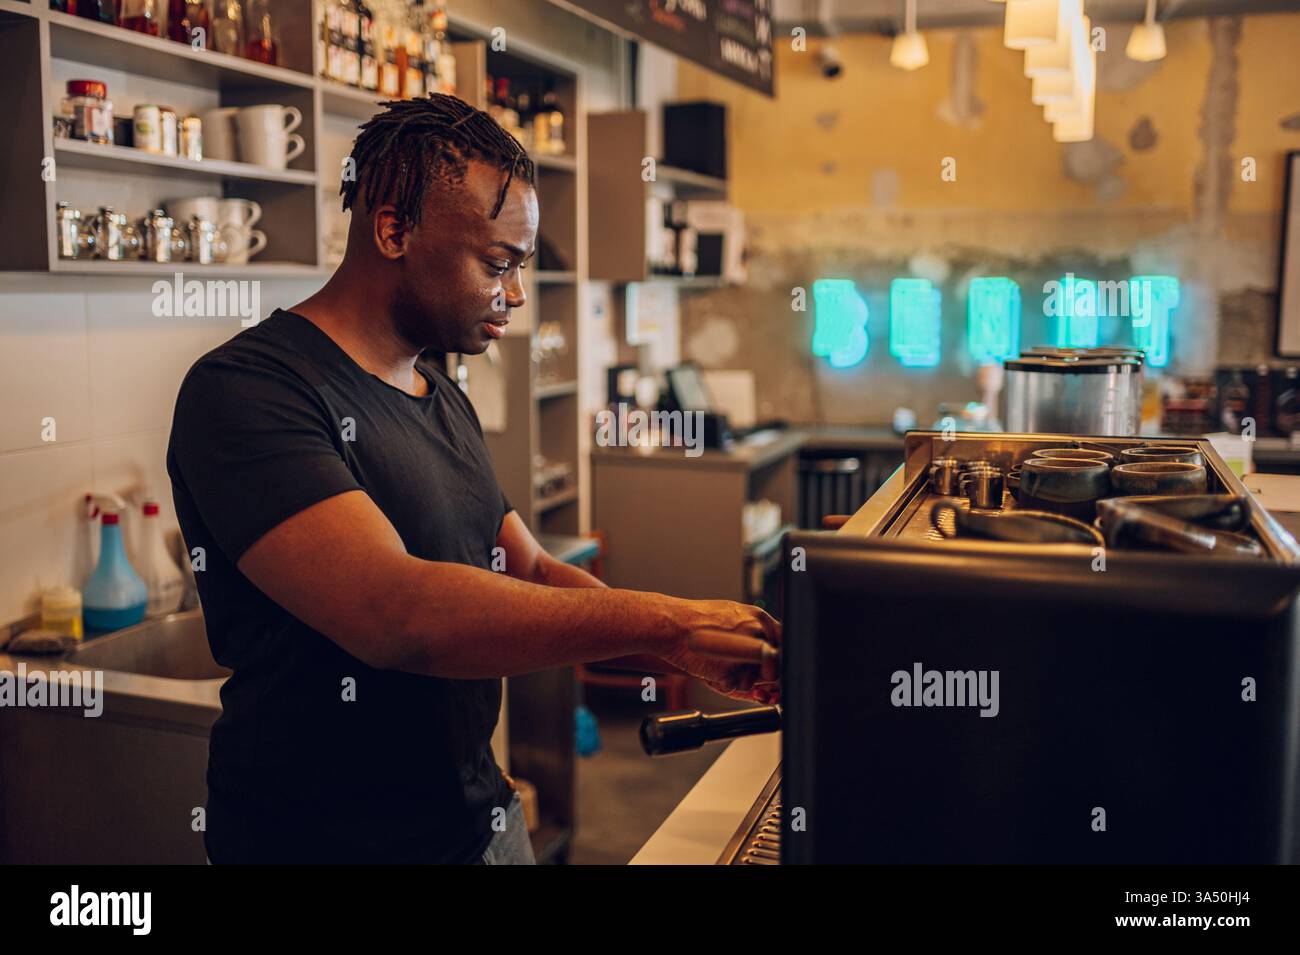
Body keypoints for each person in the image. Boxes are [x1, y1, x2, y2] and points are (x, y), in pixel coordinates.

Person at [167, 94, 780, 865]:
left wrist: (692, 644)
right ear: (393, 228)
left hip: (480, 826)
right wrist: (664, 623)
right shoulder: (249, 390)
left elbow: (529, 569)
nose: (515, 295)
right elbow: (394, 613)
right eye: (497, 264)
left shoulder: (439, 391)